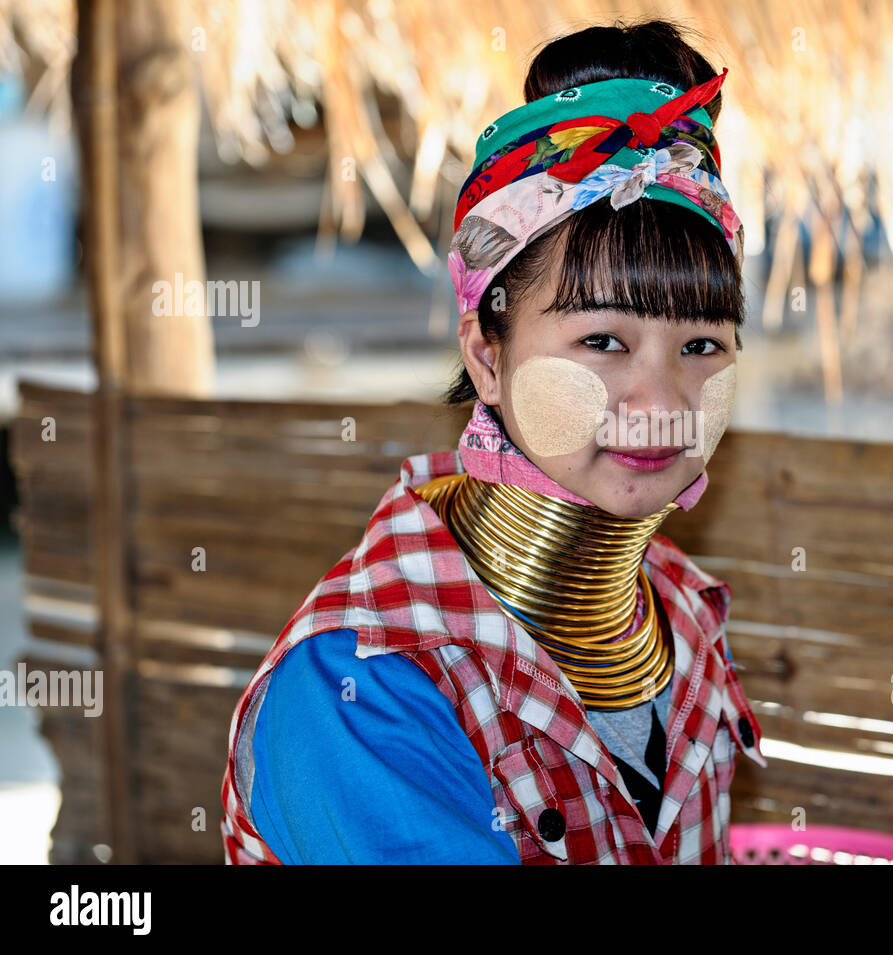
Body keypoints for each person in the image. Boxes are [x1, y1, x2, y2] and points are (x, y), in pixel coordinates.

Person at [220, 17, 765, 865]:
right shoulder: (366, 686)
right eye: (603, 342)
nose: (662, 401)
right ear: (487, 354)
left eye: (702, 346)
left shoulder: (685, 615)